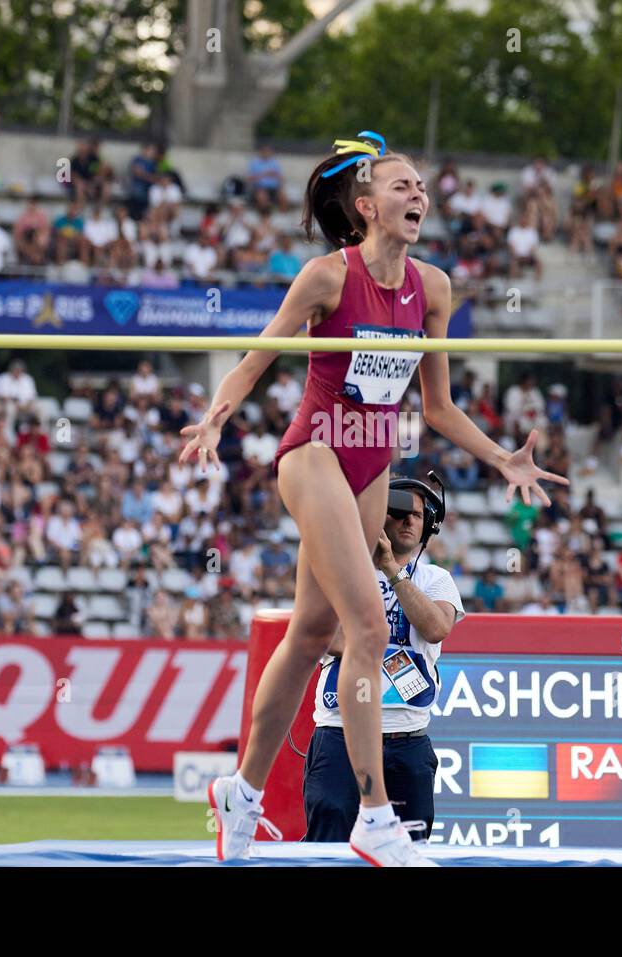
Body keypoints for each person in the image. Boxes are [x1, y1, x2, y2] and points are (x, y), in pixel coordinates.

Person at [185, 131, 566, 867]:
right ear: (365, 207)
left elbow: (441, 407)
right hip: (314, 451)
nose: (418, 194)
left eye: (422, 186)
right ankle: (375, 816)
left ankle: (241, 791)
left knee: (306, 635)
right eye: (401, 186)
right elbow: (259, 354)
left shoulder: (435, 288)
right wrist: (217, 416)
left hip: (372, 463)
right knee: (365, 626)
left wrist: (501, 459)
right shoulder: (327, 278)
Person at [304, 477, 463, 842]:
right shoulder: (339, 568)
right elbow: (326, 637)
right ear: (377, 516)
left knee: (410, 847)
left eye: (419, 516)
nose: (409, 521)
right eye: (400, 511)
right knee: (328, 840)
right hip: (338, 730)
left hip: (406, 736)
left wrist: (393, 570)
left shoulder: (437, 578)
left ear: (430, 526)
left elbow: (437, 627)